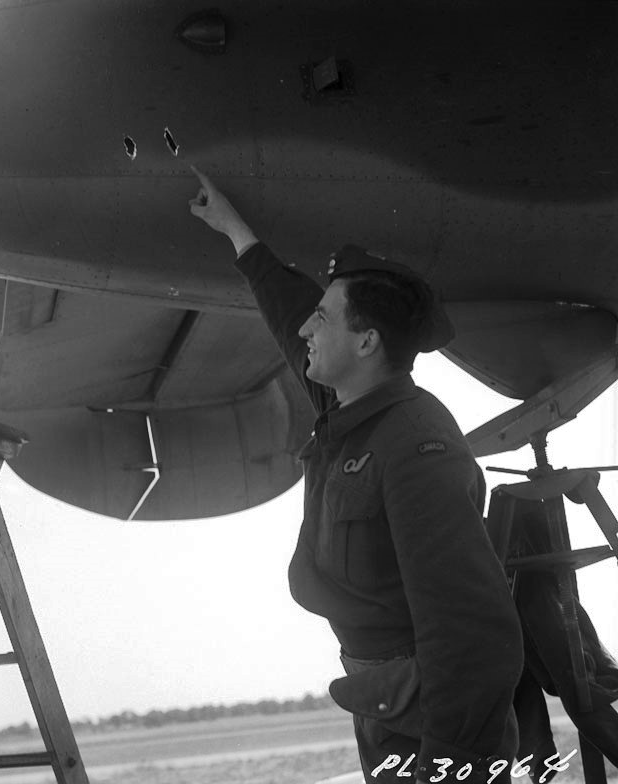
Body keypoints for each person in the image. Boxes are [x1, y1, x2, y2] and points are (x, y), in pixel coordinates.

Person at [189, 168, 524, 783]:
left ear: (367, 343)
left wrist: (447, 766)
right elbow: (286, 310)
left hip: (431, 717)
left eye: (324, 317)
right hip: (383, 698)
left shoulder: (415, 447)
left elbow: (471, 631)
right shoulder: (347, 409)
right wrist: (235, 232)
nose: (306, 328)